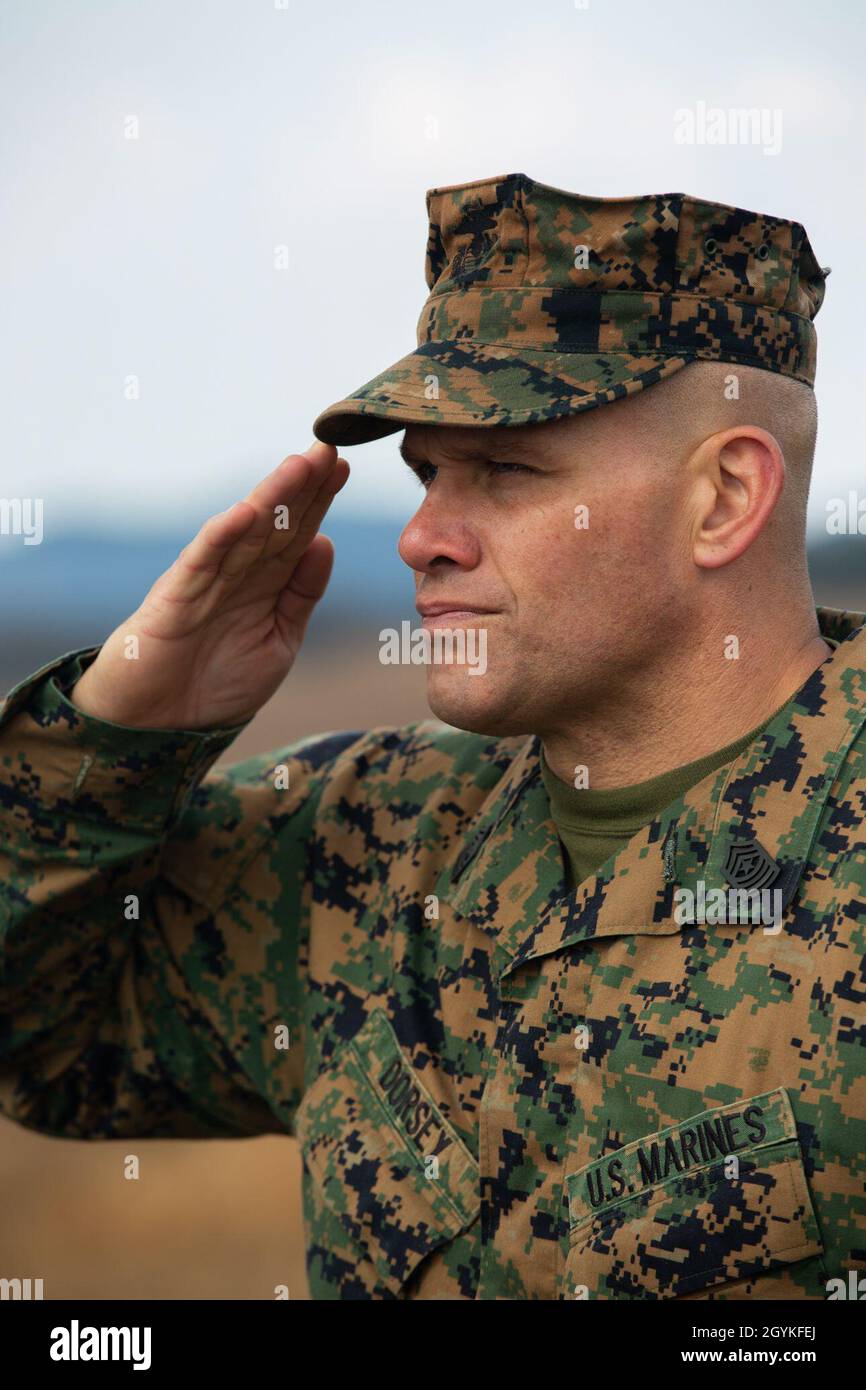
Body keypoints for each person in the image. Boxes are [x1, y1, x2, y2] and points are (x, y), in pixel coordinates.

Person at [1, 174, 863, 1301]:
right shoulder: (370, 833)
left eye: (504, 470)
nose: (418, 538)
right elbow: (46, 1037)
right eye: (424, 474)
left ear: (722, 497)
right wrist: (116, 741)